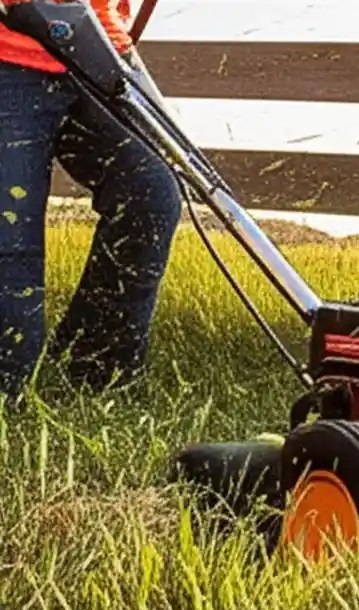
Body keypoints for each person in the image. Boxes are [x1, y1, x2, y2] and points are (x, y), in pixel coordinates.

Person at [0, 0, 179, 402]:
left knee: (150, 193)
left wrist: (116, 44)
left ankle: (97, 370)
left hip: (91, 49)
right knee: (11, 244)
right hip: (8, 53)